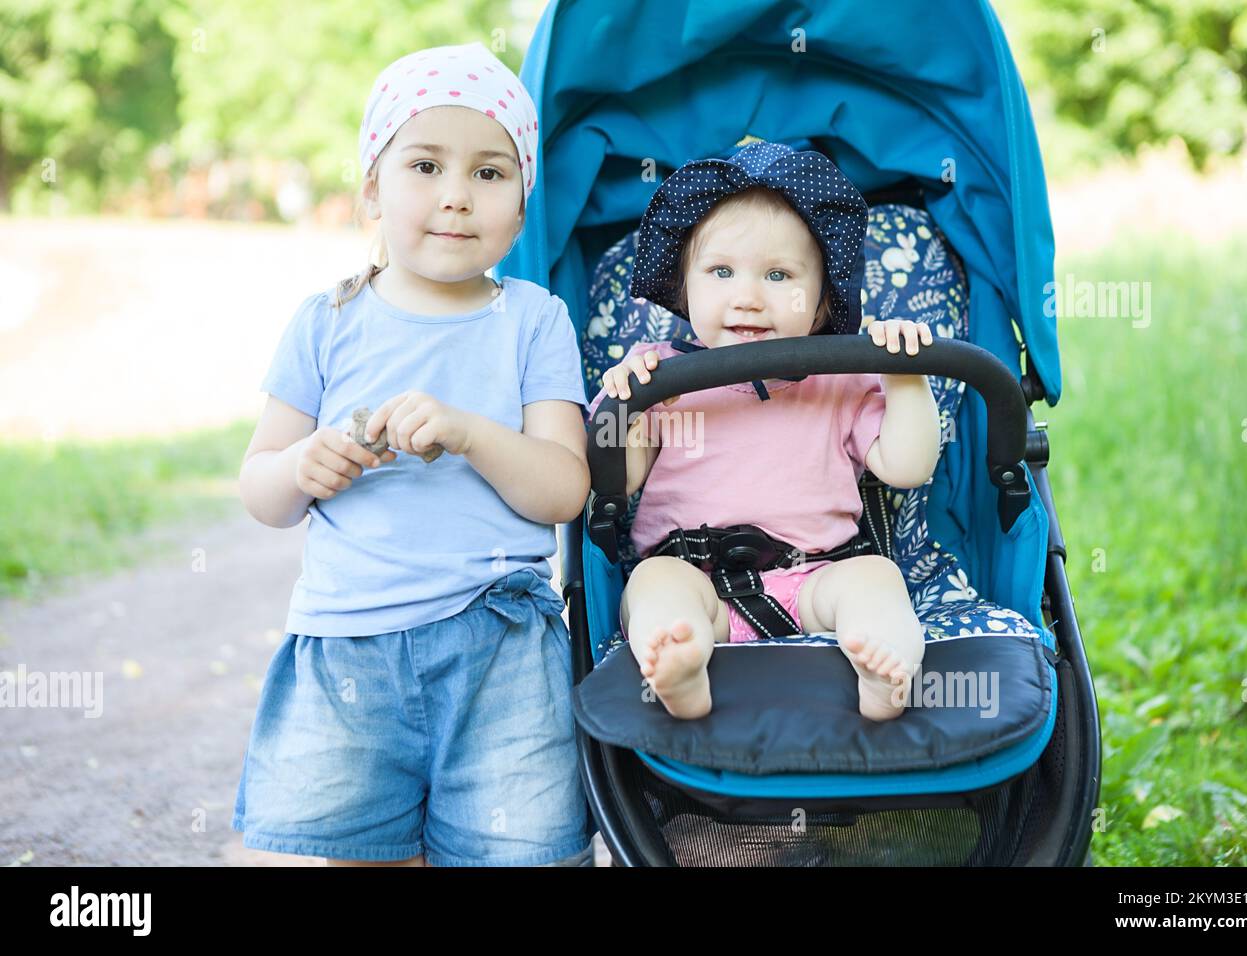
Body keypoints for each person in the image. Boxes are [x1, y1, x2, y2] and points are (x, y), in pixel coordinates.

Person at [231, 42, 594, 867]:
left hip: (501, 651)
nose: (456, 196)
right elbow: (261, 488)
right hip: (349, 653)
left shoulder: (533, 320)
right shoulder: (326, 322)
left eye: (490, 173)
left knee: (518, 853)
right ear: (371, 187)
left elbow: (563, 489)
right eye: (425, 166)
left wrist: (468, 432)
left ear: (522, 207)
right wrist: (300, 467)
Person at [587, 142, 940, 723]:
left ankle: (886, 665)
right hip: (697, 578)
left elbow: (908, 467)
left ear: (822, 305)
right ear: (686, 288)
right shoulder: (658, 375)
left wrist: (904, 378)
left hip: (819, 576)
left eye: (778, 276)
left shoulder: (840, 377)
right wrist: (627, 407)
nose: (747, 297)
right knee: (653, 583)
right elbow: (615, 483)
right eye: (721, 272)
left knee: (876, 578)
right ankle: (680, 661)